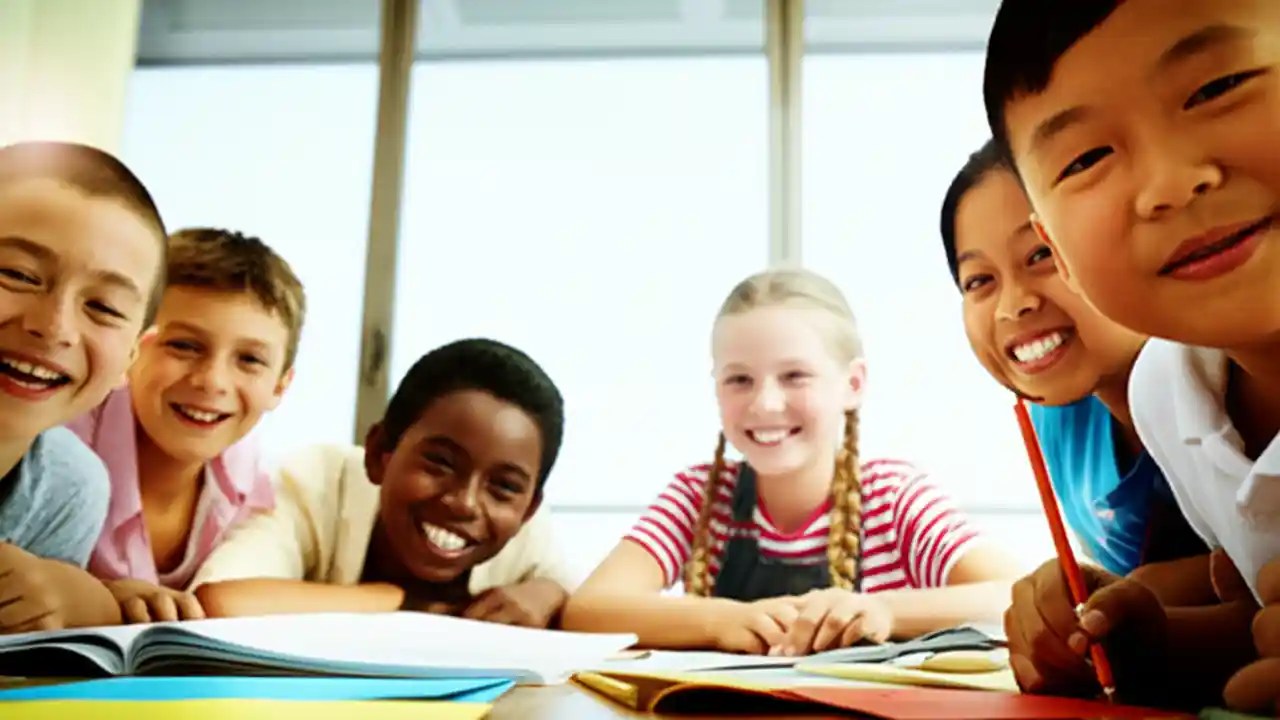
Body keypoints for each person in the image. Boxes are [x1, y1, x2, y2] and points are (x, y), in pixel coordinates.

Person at [982, 0, 1280, 710]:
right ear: (1056, 242)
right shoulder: (1166, 390)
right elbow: (1258, 614)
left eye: (1217, 89)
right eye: (1086, 159)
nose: (1171, 183)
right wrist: (1151, 642)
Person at [563, 268, 1020, 656]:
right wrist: (721, 620)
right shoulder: (700, 495)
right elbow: (589, 610)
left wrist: (881, 610)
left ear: (853, 384)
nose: (765, 404)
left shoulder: (892, 496)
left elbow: (1012, 595)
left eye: (795, 376)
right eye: (739, 379)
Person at [193, 338, 576, 629]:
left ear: (528, 509)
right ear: (379, 454)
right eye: (441, 463)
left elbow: (588, 606)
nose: (466, 503)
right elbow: (221, 603)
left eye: (504, 487)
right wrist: (400, 600)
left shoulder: (528, 540)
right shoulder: (314, 482)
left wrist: (550, 594)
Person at [69, 228, 305, 624]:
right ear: (131, 345)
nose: (212, 381)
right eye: (184, 345)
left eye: (249, 360)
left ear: (279, 386)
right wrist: (98, 597)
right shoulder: (63, 445)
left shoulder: (250, 482)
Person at [0, 140, 168, 632]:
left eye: (105, 308)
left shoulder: (69, 487)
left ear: (132, 357)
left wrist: (87, 602)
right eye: (17, 275)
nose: (53, 328)